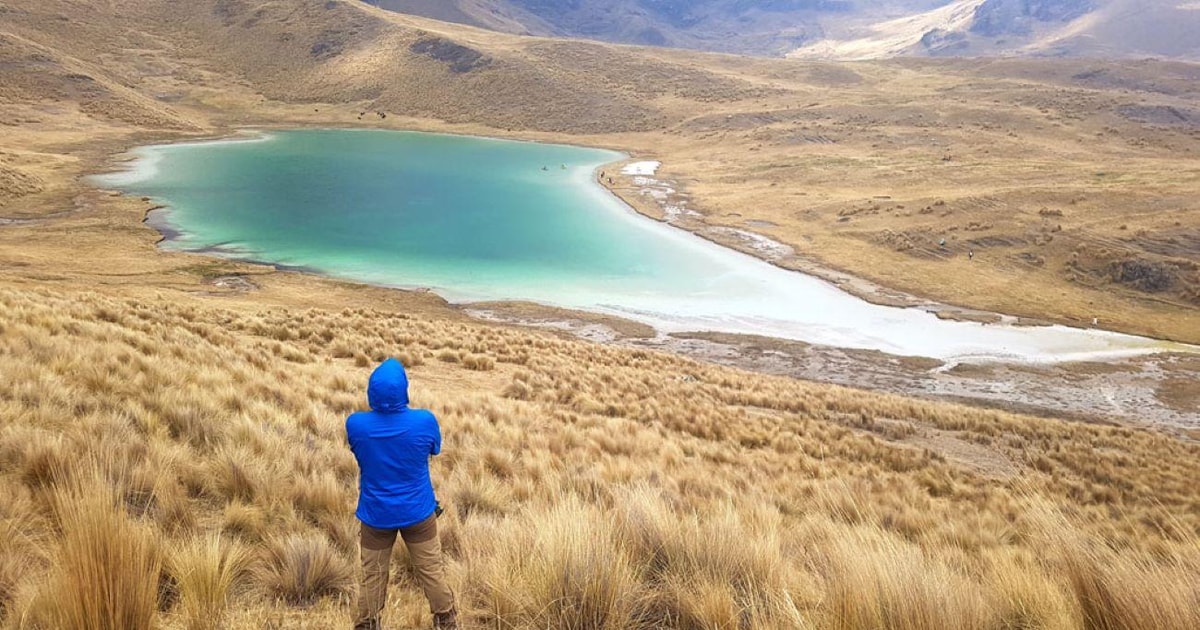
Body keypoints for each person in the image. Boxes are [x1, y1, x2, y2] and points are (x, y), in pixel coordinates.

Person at [347, 359, 457, 630]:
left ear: (371, 392)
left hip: (375, 515)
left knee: (372, 576)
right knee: (431, 570)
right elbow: (435, 449)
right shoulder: (424, 421)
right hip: (418, 511)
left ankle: (367, 624)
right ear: (404, 390)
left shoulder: (356, 425)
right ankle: (446, 621)